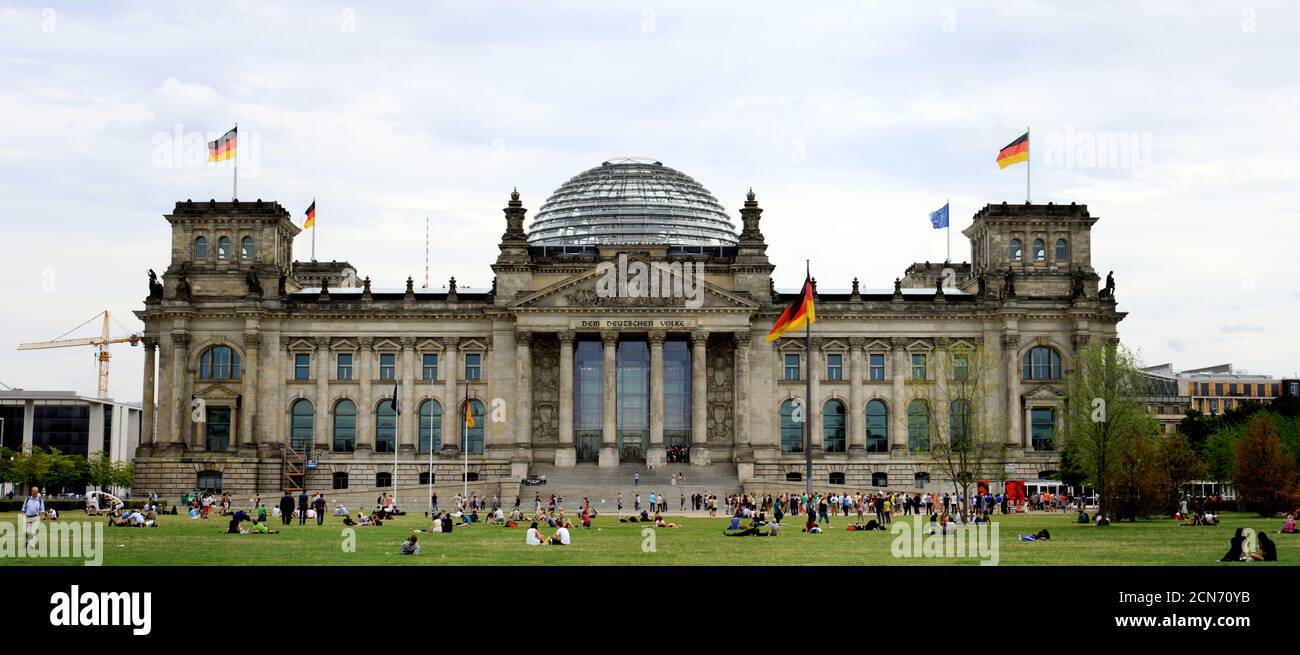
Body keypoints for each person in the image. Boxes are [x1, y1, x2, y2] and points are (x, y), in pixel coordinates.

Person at [21, 487, 43, 551]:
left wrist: (39, 517)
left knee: (33, 532)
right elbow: (23, 508)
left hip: (36, 517)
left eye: (37, 491)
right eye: (34, 491)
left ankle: (31, 546)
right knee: (26, 532)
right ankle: (27, 541)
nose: (35, 492)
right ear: (31, 492)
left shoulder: (40, 500)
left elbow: (42, 510)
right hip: (27, 517)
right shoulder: (27, 499)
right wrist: (25, 515)